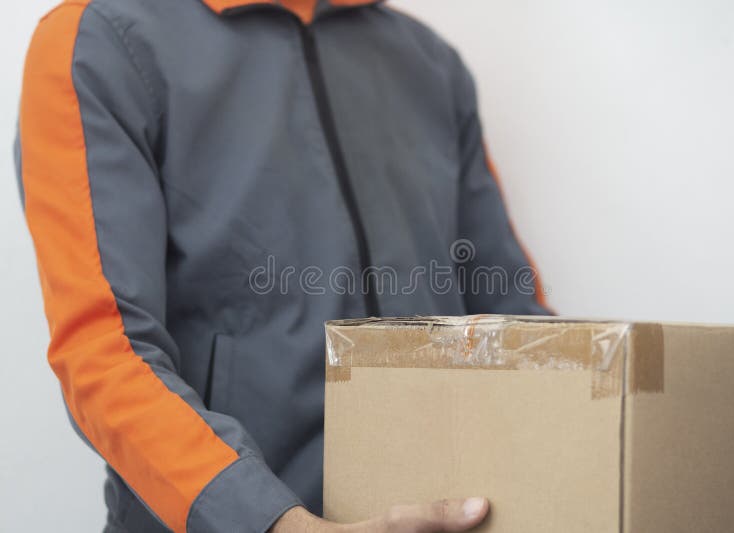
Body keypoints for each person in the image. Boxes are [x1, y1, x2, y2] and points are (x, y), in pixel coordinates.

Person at [15, 0, 551, 531]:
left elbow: (513, 317)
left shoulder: (426, 58)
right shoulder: (100, 41)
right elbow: (104, 352)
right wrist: (272, 522)